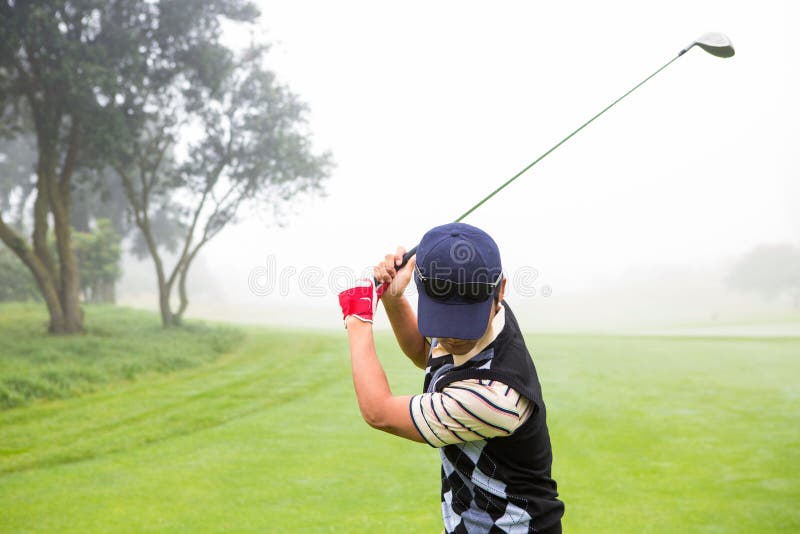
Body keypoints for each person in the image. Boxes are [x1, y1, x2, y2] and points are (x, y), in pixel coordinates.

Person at [338, 222, 564, 533]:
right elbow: (426, 354)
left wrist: (358, 319)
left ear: (500, 291)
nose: (452, 337)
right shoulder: (487, 309)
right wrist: (392, 297)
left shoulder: (494, 396)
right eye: (443, 319)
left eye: (464, 322)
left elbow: (379, 412)